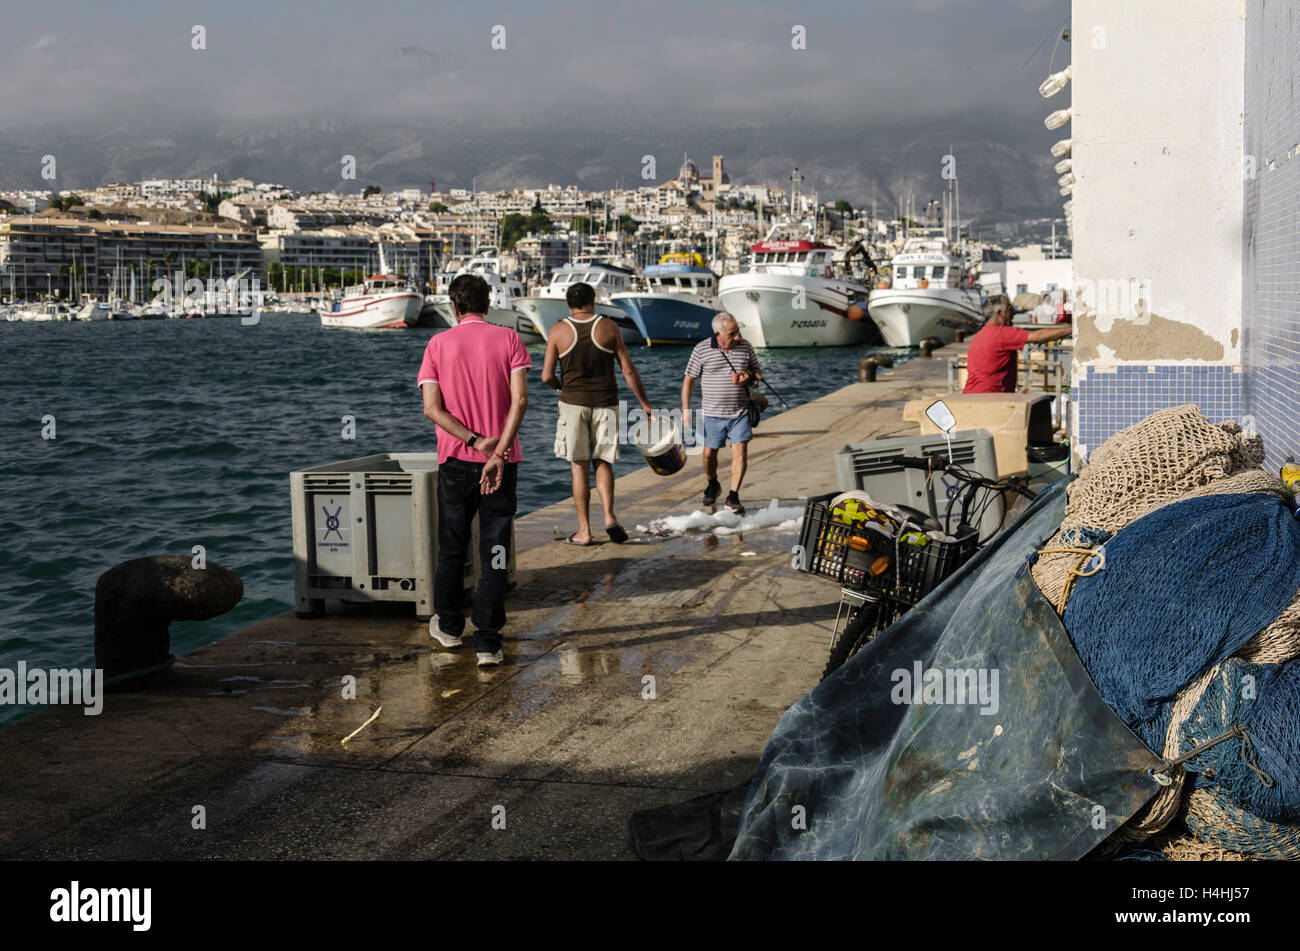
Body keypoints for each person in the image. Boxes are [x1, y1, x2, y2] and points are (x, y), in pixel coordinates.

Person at [417, 273, 530, 667]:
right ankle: (487, 643)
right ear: (488, 304)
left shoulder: (437, 344)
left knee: (452, 549)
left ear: (454, 307)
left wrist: (473, 440)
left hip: (455, 459)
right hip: (503, 462)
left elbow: (432, 409)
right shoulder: (510, 339)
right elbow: (521, 401)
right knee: (495, 550)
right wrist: (497, 450)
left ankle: (448, 628)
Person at [541, 281, 653, 545]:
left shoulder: (558, 331)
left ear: (569, 304)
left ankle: (584, 532)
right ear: (592, 301)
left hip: (573, 404)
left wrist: (561, 388)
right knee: (603, 463)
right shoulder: (609, 327)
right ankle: (609, 516)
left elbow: (546, 376)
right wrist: (645, 404)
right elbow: (628, 371)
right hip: (606, 402)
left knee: (578, 466)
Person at [681, 312, 761, 514]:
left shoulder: (745, 346)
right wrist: (685, 410)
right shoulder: (702, 349)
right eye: (732, 333)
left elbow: (758, 373)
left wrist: (748, 376)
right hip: (712, 413)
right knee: (709, 455)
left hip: (739, 411)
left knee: (740, 450)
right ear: (718, 333)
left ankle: (733, 496)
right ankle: (713, 483)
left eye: (738, 332)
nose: (737, 337)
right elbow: (689, 380)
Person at [963, 293, 1071, 394]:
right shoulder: (1002, 334)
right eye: (1010, 310)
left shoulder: (979, 335)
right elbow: (1038, 336)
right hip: (990, 397)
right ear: (1000, 313)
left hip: (972, 395)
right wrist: (1071, 329)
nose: (1013, 314)